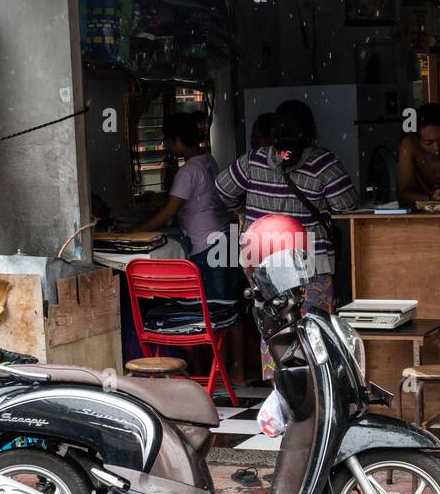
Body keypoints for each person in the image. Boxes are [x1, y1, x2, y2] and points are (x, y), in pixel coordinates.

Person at [216, 99, 358, 376]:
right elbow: (347, 204)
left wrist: (244, 213)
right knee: (315, 323)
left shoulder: (254, 160)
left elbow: (222, 188)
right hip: (311, 260)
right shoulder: (322, 162)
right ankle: (318, 383)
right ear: (310, 131)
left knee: (273, 324)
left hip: (261, 257)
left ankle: (280, 385)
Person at [135, 111, 232, 299]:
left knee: (213, 305)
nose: (167, 146)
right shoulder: (207, 159)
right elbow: (197, 196)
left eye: (168, 141)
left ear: (178, 141)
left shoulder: (188, 171)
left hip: (205, 245)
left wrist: (134, 234)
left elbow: (166, 214)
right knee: (228, 305)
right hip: (223, 237)